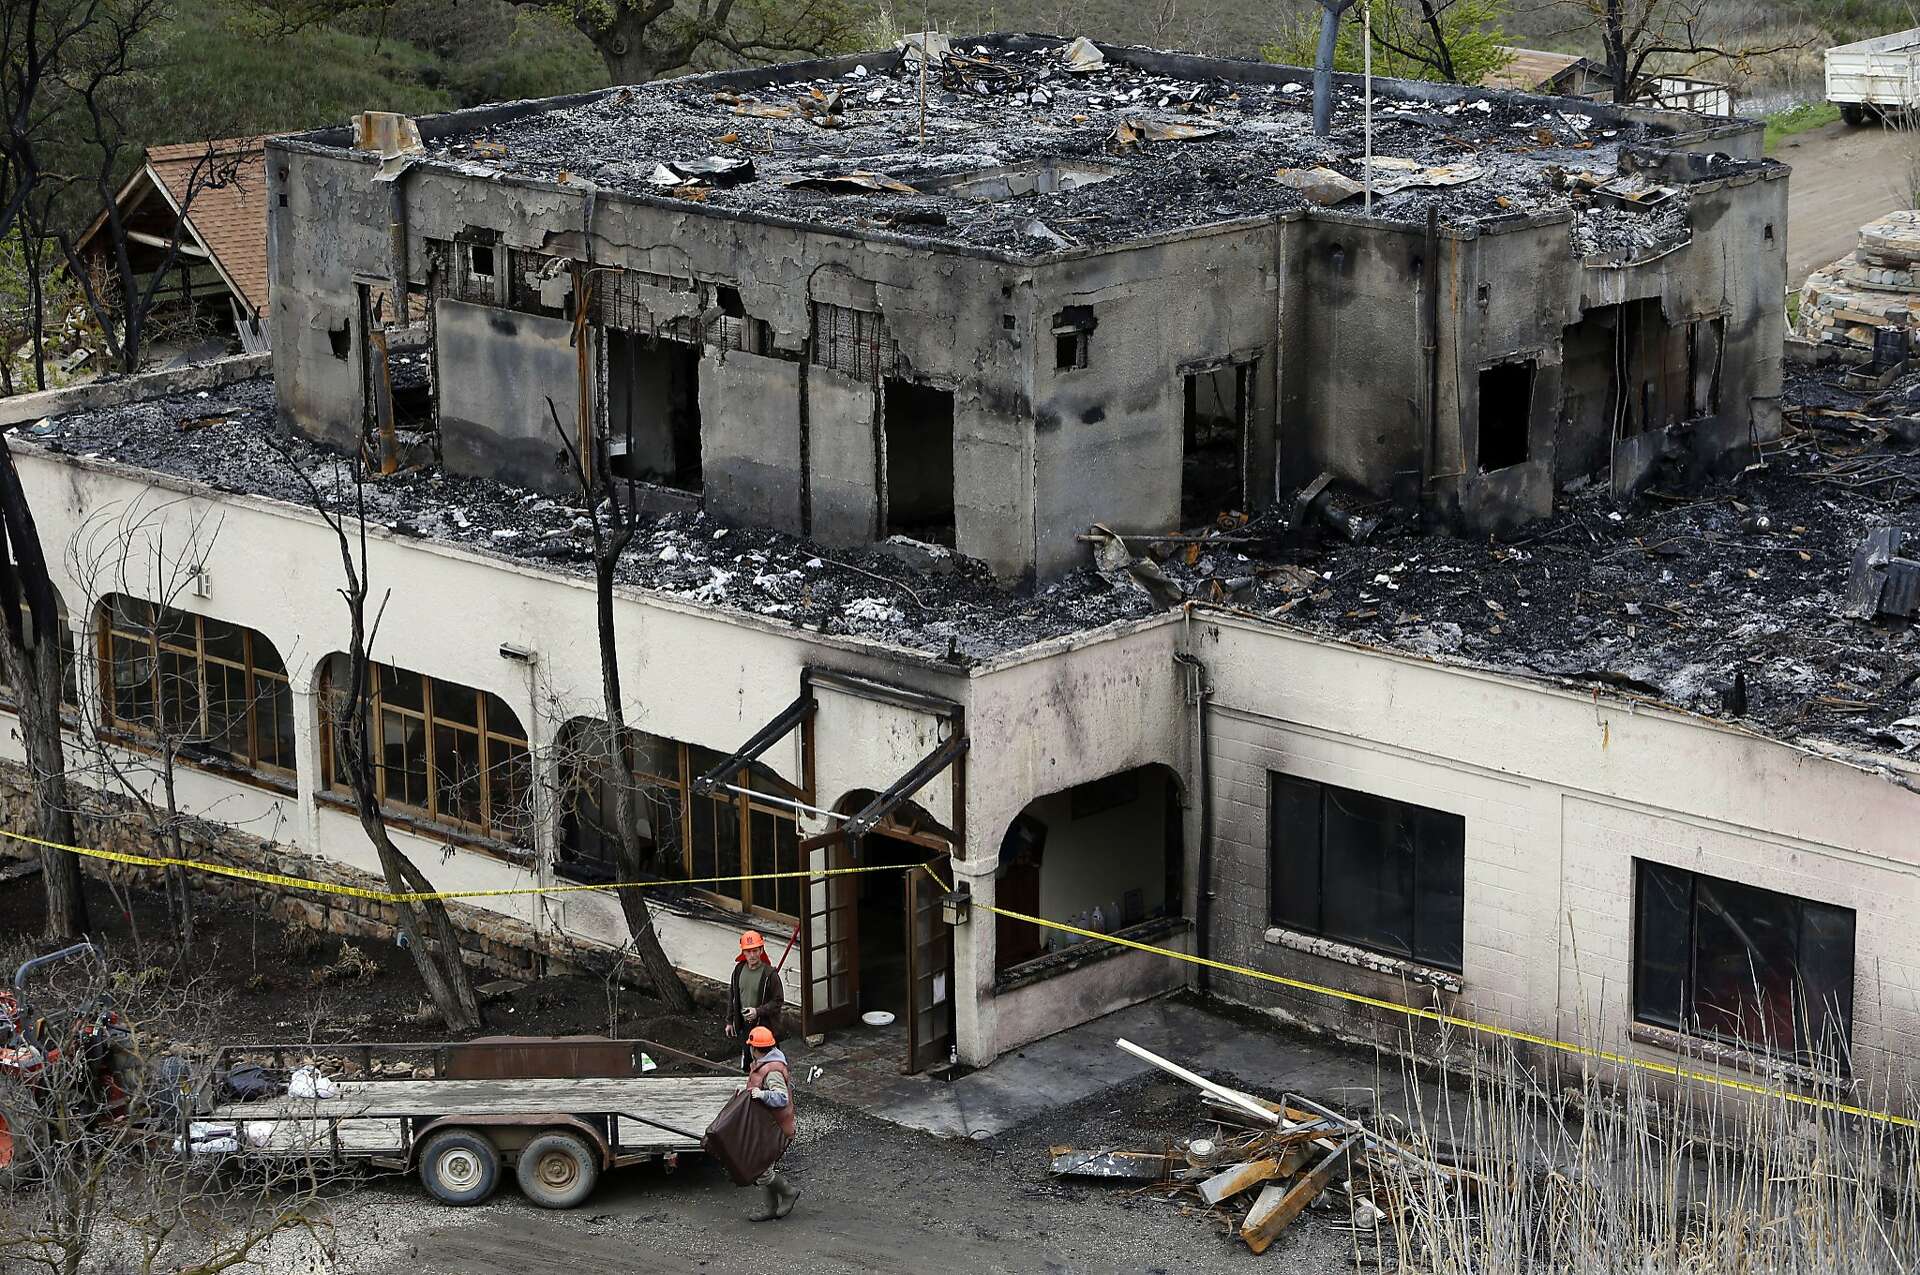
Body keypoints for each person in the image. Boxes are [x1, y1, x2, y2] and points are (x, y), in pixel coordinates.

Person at [743, 1024, 799, 1222]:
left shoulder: (772, 1070)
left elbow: (781, 1098)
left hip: (776, 1128)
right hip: (768, 1125)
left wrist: (762, 1094)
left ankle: (789, 1192)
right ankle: (771, 1207)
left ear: (755, 1049)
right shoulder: (766, 1063)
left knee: (761, 1169)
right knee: (764, 1165)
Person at [726, 930, 785, 1069]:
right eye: (748, 951)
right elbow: (732, 996)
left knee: (769, 1063)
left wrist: (757, 1011)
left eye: (755, 951)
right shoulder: (738, 970)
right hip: (746, 1025)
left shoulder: (770, 975)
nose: (752, 955)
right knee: (748, 1062)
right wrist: (730, 1021)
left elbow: (778, 1001)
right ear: (743, 952)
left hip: (765, 1027)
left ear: (761, 950)